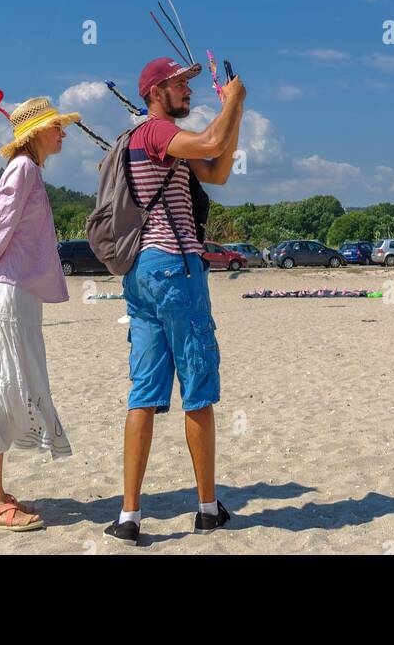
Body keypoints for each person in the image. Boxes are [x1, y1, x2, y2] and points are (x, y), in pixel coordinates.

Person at [105, 56, 246, 545]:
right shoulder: (156, 134)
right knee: (199, 387)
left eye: (189, 84)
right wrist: (235, 102)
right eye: (180, 85)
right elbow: (210, 142)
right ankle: (206, 508)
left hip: (142, 273)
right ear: (155, 91)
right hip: (175, 268)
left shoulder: (149, 144)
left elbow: (218, 169)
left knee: (143, 392)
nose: (189, 92)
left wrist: (236, 111)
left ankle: (129, 516)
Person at [0, 96, 81, 532]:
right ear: (36, 134)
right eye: (57, 126)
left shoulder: (28, 170)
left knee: (7, 389)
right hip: (4, 296)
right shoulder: (24, 168)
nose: (63, 132)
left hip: (14, 296)